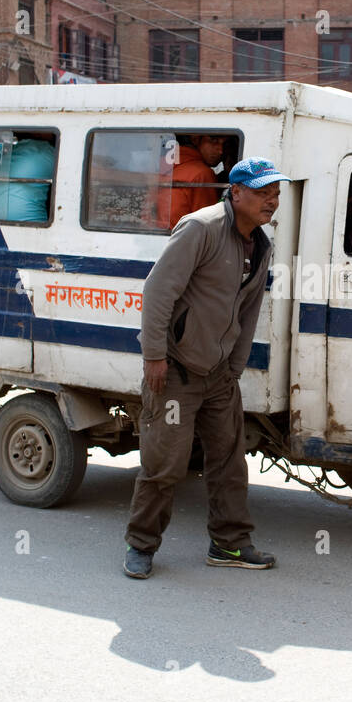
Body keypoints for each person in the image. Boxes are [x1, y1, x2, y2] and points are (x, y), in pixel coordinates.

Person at [123, 157, 286, 580]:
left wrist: (234, 367)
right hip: (175, 369)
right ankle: (141, 544)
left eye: (276, 192)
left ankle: (229, 544)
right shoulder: (202, 228)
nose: (273, 199)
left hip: (218, 376)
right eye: (264, 191)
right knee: (166, 463)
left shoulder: (260, 244)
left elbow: (249, 310)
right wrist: (154, 357)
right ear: (236, 192)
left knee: (230, 463)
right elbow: (158, 292)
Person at [164, 134, 226, 230]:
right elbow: (209, 226)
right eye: (214, 140)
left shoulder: (162, 165)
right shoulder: (202, 174)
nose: (221, 151)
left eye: (224, 144)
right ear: (195, 139)